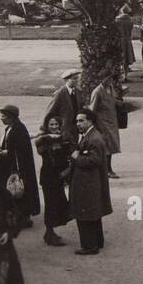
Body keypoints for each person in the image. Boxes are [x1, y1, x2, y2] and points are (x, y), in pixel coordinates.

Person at [68, 108, 112, 255]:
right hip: (90, 182)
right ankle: (97, 241)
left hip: (87, 183)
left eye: (81, 121)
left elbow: (93, 161)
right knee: (93, 214)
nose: (78, 124)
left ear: (90, 121)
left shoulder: (94, 139)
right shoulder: (91, 135)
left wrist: (76, 157)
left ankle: (89, 246)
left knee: (85, 214)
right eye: (77, 121)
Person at [0, 104, 41, 226]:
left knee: (18, 191)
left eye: (3, 116)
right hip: (14, 167)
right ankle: (20, 217)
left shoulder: (18, 130)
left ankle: (22, 218)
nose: (1, 118)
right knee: (17, 192)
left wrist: (4, 152)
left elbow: (19, 151)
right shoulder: (12, 127)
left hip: (18, 169)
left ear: (11, 117)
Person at [33, 115, 73, 246]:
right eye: (51, 124)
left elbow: (68, 151)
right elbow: (40, 147)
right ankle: (49, 234)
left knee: (58, 203)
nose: (54, 127)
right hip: (49, 177)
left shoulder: (63, 138)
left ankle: (49, 233)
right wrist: (52, 137)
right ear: (47, 126)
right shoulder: (43, 139)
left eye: (56, 124)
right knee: (51, 205)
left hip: (59, 176)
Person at [88, 75, 122, 179]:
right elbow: (92, 110)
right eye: (106, 79)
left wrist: (119, 103)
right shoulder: (97, 92)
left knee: (111, 146)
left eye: (110, 79)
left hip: (112, 122)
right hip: (102, 123)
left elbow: (113, 100)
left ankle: (106, 169)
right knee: (107, 147)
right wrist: (93, 125)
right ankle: (107, 170)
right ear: (101, 79)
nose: (109, 81)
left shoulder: (110, 88)